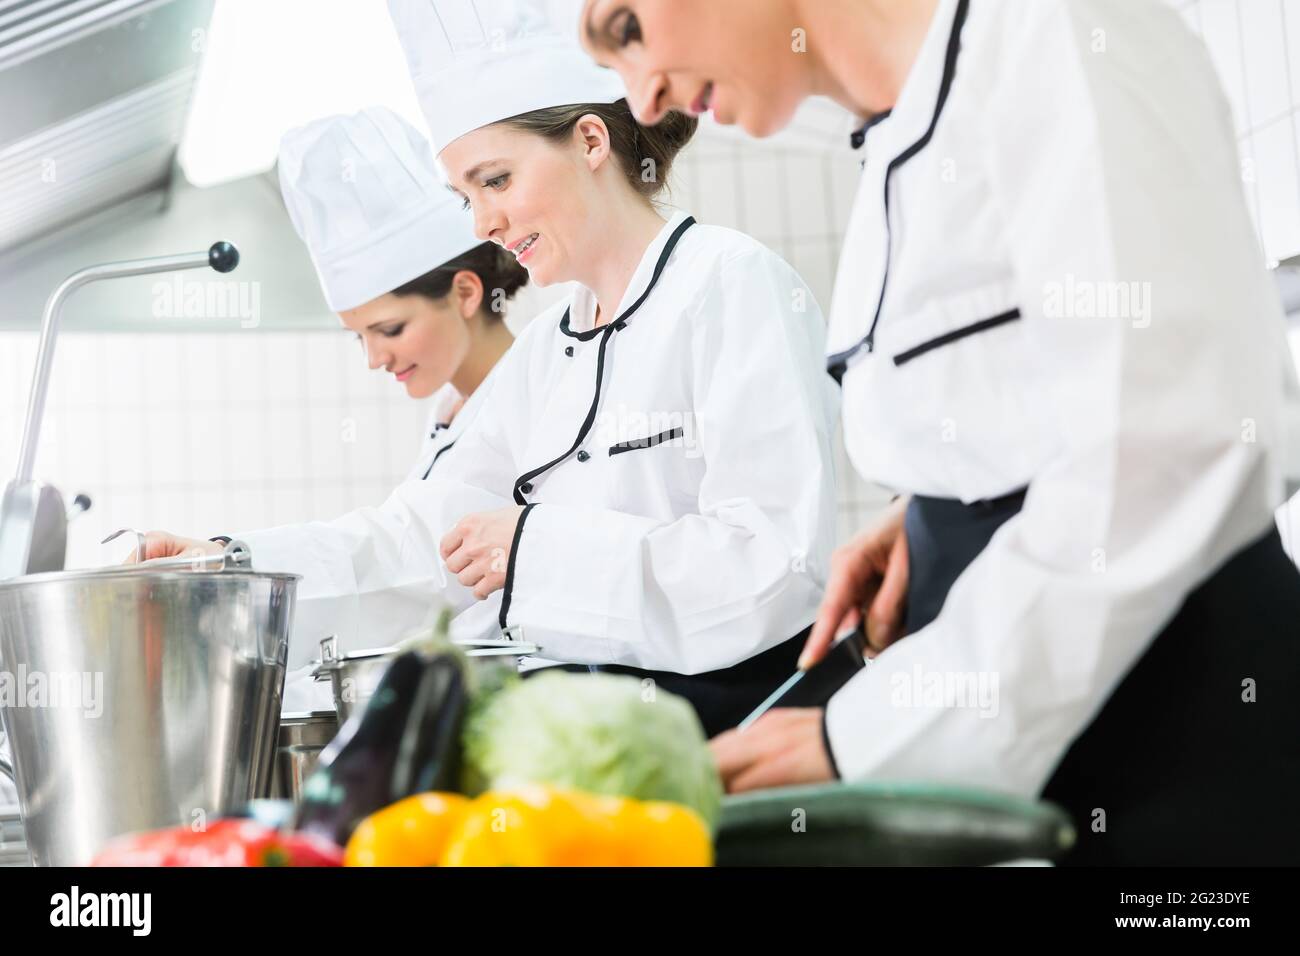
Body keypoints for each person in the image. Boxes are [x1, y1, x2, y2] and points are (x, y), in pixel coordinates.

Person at [582, 0, 1300, 863]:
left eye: (626, 28)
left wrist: (868, 737)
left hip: (1179, 732)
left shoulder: (1052, 29)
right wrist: (932, 518)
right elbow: (1042, 399)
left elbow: (1174, 439)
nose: (645, 99)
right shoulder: (896, 135)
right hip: (1053, 728)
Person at [205, 0, 836, 737]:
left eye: (495, 181)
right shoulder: (544, 353)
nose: (482, 225)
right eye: (466, 196)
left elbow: (775, 567)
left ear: (592, 141)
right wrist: (237, 568)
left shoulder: (729, 283)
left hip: (722, 741)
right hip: (579, 744)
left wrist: (536, 549)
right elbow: (418, 541)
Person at [130, 106, 529, 702]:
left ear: (467, 293)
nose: (375, 358)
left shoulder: (527, 400)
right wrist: (229, 564)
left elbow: (410, 561)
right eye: (359, 336)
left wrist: (235, 563)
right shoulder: (451, 412)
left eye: (389, 329)